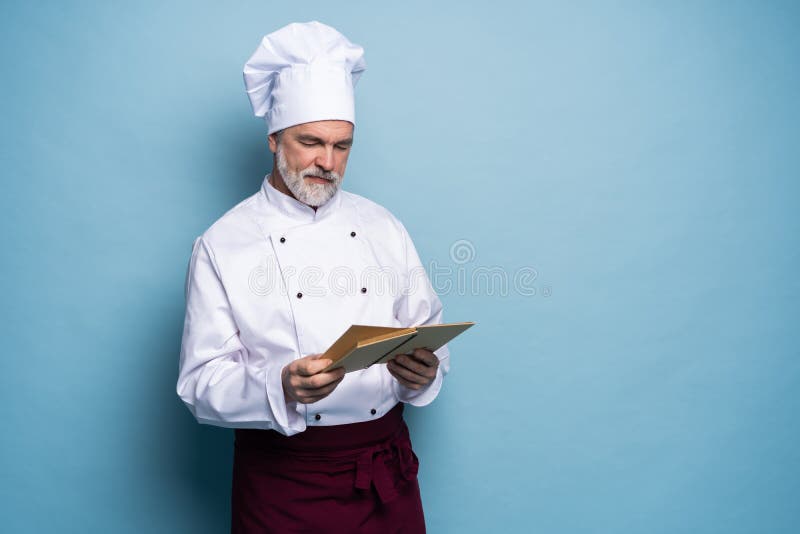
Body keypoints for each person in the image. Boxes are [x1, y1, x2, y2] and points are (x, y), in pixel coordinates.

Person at [176, 21, 451, 533]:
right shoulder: (223, 243)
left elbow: (426, 330)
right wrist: (280, 385)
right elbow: (199, 384)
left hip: (383, 473)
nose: (327, 162)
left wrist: (426, 372)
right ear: (275, 139)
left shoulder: (382, 226)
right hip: (285, 482)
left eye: (342, 145)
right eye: (311, 142)